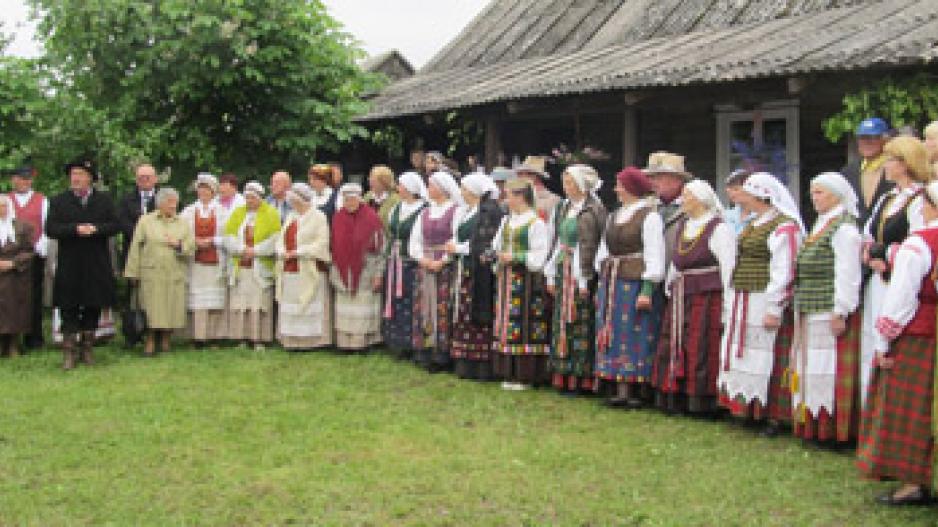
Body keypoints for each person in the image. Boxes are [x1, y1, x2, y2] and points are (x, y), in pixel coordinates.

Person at [857, 179, 938, 506]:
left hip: (918, 336)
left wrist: (883, 343)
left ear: (927, 206)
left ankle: (912, 483)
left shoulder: (919, 244)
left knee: (910, 409)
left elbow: (901, 299)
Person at [719, 172, 804, 436]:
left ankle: (774, 415)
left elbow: (784, 269)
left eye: (746, 192)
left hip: (764, 297)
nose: (740, 195)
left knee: (769, 355)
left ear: (760, 196)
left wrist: (774, 307)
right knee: (745, 352)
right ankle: (748, 407)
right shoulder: (755, 223)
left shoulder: (784, 226)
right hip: (745, 295)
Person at [790, 172, 863, 444]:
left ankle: (831, 430)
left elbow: (848, 272)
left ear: (836, 195)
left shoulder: (844, 228)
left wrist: (840, 310)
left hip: (829, 306)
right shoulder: (822, 223)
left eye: (819, 192)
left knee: (826, 368)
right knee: (810, 367)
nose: (814, 197)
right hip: (810, 304)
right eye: (812, 192)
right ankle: (810, 424)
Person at [860, 136, 932, 407]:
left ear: (905, 164)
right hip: (877, 279)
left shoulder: (919, 199)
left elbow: (919, 243)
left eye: (891, 159)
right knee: (871, 337)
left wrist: (886, 259)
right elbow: (867, 233)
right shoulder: (888, 198)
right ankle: (868, 409)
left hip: (899, 280)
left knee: (889, 339)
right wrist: (869, 254)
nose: (886, 165)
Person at [652, 180, 735, 414]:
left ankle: (701, 401)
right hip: (682, 294)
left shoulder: (718, 228)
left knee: (701, 344)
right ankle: (675, 395)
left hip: (707, 295)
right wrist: (670, 283)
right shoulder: (684, 226)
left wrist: (728, 304)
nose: (683, 200)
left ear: (700, 199)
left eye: (687, 196)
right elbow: (678, 261)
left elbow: (728, 267)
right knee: (676, 340)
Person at [594, 167, 665, 407]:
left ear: (632, 188)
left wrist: (647, 290)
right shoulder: (615, 216)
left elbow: (655, 254)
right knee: (611, 331)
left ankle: (635, 390)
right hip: (613, 280)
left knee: (636, 331)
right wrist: (602, 276)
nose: (616, 190)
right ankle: (616, 385)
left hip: (634, 283)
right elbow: (604, 250)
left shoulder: (649, 216)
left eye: (620, 186)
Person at [46, 159, 119, 370]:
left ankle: (87, 348)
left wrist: (95, 229)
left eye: (80, 174)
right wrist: (75, 229)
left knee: (92, 304)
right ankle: (69, 351)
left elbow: (115, 225)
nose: (75, 178)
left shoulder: (104, 200)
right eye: (73, 174)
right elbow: (51, 229)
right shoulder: (59, 201)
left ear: (90, 178)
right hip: (70, 263)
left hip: (96, 263)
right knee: (68, 305)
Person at [544, 165, 607, 393]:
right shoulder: (562, 208)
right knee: (562, 320)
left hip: (584, 272)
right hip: (563, 268)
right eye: (565, 182)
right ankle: (562, 373)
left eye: (570, 183)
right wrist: (550, 273)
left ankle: (582, 376)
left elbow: (594, 244)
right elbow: (554, 241)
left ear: (582, 185)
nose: (566, 187)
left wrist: (584, 279)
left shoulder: (595, 210)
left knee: (581, 322)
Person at [492, 178, 553, 390]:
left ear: (520, 197)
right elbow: (497, 244)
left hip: (527, 280)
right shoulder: (507, 221)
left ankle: (525, 375)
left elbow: (540, 254)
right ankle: (508, 371)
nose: (506, 199)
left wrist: (516, 256)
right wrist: (498, 256)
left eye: (509, 195)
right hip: (507, 278)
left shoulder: (535, 222)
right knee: (507, 323)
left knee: (524, 323)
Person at [124, 188, 194, 356]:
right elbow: (135, 247)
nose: (173, 206)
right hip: (151, 272)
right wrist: (132, 273)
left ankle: (166, 340)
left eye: (175, 202)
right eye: (170, 202)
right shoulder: (146, 221)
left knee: (171, 307)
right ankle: (150, 340)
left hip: (173, 272)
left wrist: (178, 245)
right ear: (160, 204)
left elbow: (191, 247)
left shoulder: (183, 223)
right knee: (152, 308)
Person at [448, 172, 503, 380]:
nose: (461, 192)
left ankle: (481, 365)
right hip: (466, 269)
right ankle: (464, 360)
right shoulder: (467, 211)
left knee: (479, 315)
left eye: (464, 188)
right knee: (464, 314)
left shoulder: (489, 211)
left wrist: (459, 248)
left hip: (481, 273)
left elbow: (484, 244)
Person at [410, 171, 462, 371]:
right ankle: (424, 349)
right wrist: (422, 259)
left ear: (442, 189)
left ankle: (442, 353)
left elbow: (456, 238)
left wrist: (444, 260)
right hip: (425, 265)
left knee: (443, 307)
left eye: (431, 185)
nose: (428, 189)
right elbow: (415, 241)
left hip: (445, 267)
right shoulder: (424, 212)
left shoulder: (455, 211)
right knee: (423, 307)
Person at [275, 182, 332, 350]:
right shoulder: (291, 217)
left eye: (296, 202)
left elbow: (322, 243)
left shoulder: (318, 217)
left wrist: (299, 252)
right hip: (290, 267)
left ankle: (312, 341)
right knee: (292, 302)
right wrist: (282, 251)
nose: (293, 205)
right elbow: (281, 238)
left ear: (303, 201)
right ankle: (292, 340)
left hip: (309, 267)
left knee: (309, 302)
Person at [224, 181, 281, 350]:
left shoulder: (271, 213)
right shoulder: (238, 213)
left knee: (258, 303)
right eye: (247, 197)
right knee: (242, 302)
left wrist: (255, 250)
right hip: (241, 265)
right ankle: (242, 338)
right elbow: (228, 236)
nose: (249, 201)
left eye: (253, 198)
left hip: (259, 266)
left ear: (260, 198)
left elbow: (275, 238)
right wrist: (241, 249)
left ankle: (259, 339)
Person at [330, 183, 385, 351]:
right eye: (346, 200)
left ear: (359, 199)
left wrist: (378, 273)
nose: (349, 203)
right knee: (346, 308)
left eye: (352, 199)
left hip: (366, 269)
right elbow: (333, 244)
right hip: (343, 269)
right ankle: (345, 343)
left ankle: (363, 343)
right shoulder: (338, 218)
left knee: (363, 307)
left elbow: (381, 248)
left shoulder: (371, 218)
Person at [381, 172, 427, 358]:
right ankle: (395, 342)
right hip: (395, 260)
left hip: (412, 262)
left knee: (410, 300)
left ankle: (410, 341)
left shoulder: (423, 209)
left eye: (400, 186)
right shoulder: (397, 208)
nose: (398, 189)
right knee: (394, 298)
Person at [180, 173, 228, 346]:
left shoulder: (223, 212)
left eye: (207, 189)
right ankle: (197, 336)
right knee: (197, 300)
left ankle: (214, 335)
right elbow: (182, 233)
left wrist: (213, 241)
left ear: (213, 191)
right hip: (196, 261)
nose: (203, 192)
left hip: (215, 260)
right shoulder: (189, 211)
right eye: (200, 188)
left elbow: (229, 237)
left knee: (214, 299)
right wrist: (195, 242)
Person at [8, 166, 49, 349]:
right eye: (18, 178)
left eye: (26, 179)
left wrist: (40, 246)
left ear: (31, 181)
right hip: (11, 256)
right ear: (13, 180)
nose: (22, 182)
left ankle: (34, 337)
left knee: (34, 297)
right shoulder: (5, 200)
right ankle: (10, 337)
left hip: (35, 254)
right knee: (10, 297)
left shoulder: (42, 200)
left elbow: (47, 226)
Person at [0, 195, 35, 358]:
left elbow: (29, 251)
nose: (1, 209)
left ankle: (13, 344)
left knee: (15, 311)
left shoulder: (22, 227)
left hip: (16, 276)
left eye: (3, 206)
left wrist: (14, 263)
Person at [644, 151, 692, 269]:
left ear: (678, 180)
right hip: (649, 278)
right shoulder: (644, 207)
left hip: (682, 276)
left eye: (658, 178)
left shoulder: (695, 207)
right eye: (650, 178)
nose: (652, 182)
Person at [842, 117, 895, 224]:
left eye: (872, 137)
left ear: (885, 139)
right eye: (862, 138)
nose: (866, 142)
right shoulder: (848, 172)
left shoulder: (896, 168)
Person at [116, 163, 159, 267]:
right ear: (136, 180)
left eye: (147, 177)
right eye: (140, 177)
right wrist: (141, 236)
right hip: (132, 251)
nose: (144, 179)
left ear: (155, 179)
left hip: (159, 252)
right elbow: (123, 222)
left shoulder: (165, 198)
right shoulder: (126, 200)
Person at [516, 156, 560, 221]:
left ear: (536, 175)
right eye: (519, 174)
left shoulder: (553, 199)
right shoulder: (516, 197)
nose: (520, 177)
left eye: (526, 173)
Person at [364, 165, 401, 231]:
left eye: (374, 180)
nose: (370, 181)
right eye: (370, 178)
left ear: (383, 182)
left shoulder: (396, 200)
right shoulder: (367, 197)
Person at [723, 169, 753, 235]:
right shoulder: (726, 215)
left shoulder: (761, 214)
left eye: (736, 189)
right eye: (729, 190)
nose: (731, 193)